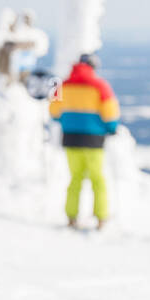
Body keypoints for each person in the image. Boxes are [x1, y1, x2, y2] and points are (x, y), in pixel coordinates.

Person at [49, 53, 120, 228]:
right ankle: (101, 218)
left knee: (75, 178)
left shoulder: (62, 85)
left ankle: (71, 217)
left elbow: (53, 111)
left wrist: (67, 121)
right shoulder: (100, 86)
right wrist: (111, 128)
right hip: (94, 140)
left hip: (70, 138)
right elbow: (110, 112)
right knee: (97, 179)